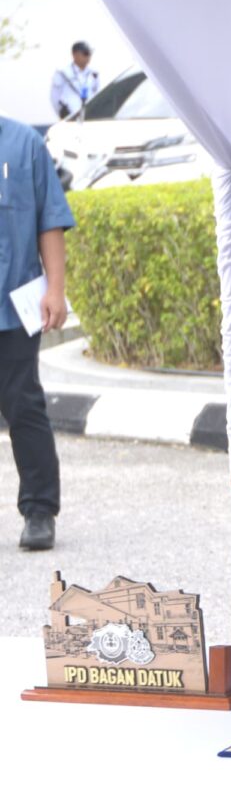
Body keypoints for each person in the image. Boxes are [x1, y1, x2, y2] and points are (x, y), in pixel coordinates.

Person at [0, 119, 73, 550]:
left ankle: (40, 510)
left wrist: (56, 289)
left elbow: (50, 218)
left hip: (12, 309)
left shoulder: (23, 144)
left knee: (24, 406)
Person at [50, 42, 99, 120]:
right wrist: (62, 115)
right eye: (86, 53)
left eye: (90, 54)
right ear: (75, 54)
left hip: (89, 116)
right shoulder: (63, 73)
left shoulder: (94, 73)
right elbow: (55, 97)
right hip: (70, 117)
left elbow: (97, 93)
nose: (89, 57)